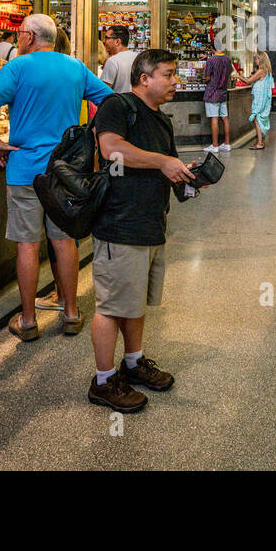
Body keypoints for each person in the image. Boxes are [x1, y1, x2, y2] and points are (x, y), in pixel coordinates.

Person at [0, 14, 113, 341]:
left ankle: (28, 321)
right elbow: (109, 100)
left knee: (28, 244)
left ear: (30, 37)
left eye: (21, 33)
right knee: (64, 240)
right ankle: (71, 313)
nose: (19, 38)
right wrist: (88, 138)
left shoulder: (18, 68)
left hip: (25, 171)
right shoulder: (75, 67)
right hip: (65, 173)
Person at [89, 49, 196, 413]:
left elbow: (165, 167)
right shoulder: (118, 106)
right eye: (168, 74)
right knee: (111, 306)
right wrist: (163, 161)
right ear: (144, 78)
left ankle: (133, 363)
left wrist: (185, 178)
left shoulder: (162, 120)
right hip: (119, 223)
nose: (175, 81)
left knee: (134, 303)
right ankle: (103, 381)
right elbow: (112, 149)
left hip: (151, 224)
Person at [238, 50, 273, 150]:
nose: (255, 61)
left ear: (261, 59)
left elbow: (249, 81)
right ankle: (260, 141)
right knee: (258, 118)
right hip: (263, 98)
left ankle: (260, 143)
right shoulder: (267, 70)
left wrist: (238, 76)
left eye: (256, 59)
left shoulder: (261, 70)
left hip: (259, 99)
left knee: (257, 118)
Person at [202, 45, 234, 153]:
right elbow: (230, 73)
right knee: (225, 118)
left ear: (212, 48)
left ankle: (215, 145)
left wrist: (204, 76)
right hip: (223, 92)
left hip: (213, 93)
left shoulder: (211, 60)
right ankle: (227, 144)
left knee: (214, 118)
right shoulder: (227, 59)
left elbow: (207, 78)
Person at [99, 24, 137, 95]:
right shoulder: (137, 57)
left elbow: (103, 92)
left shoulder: (113, 61)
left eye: (107, 38)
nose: (103, 41)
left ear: (117, 41)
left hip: (118, 101)